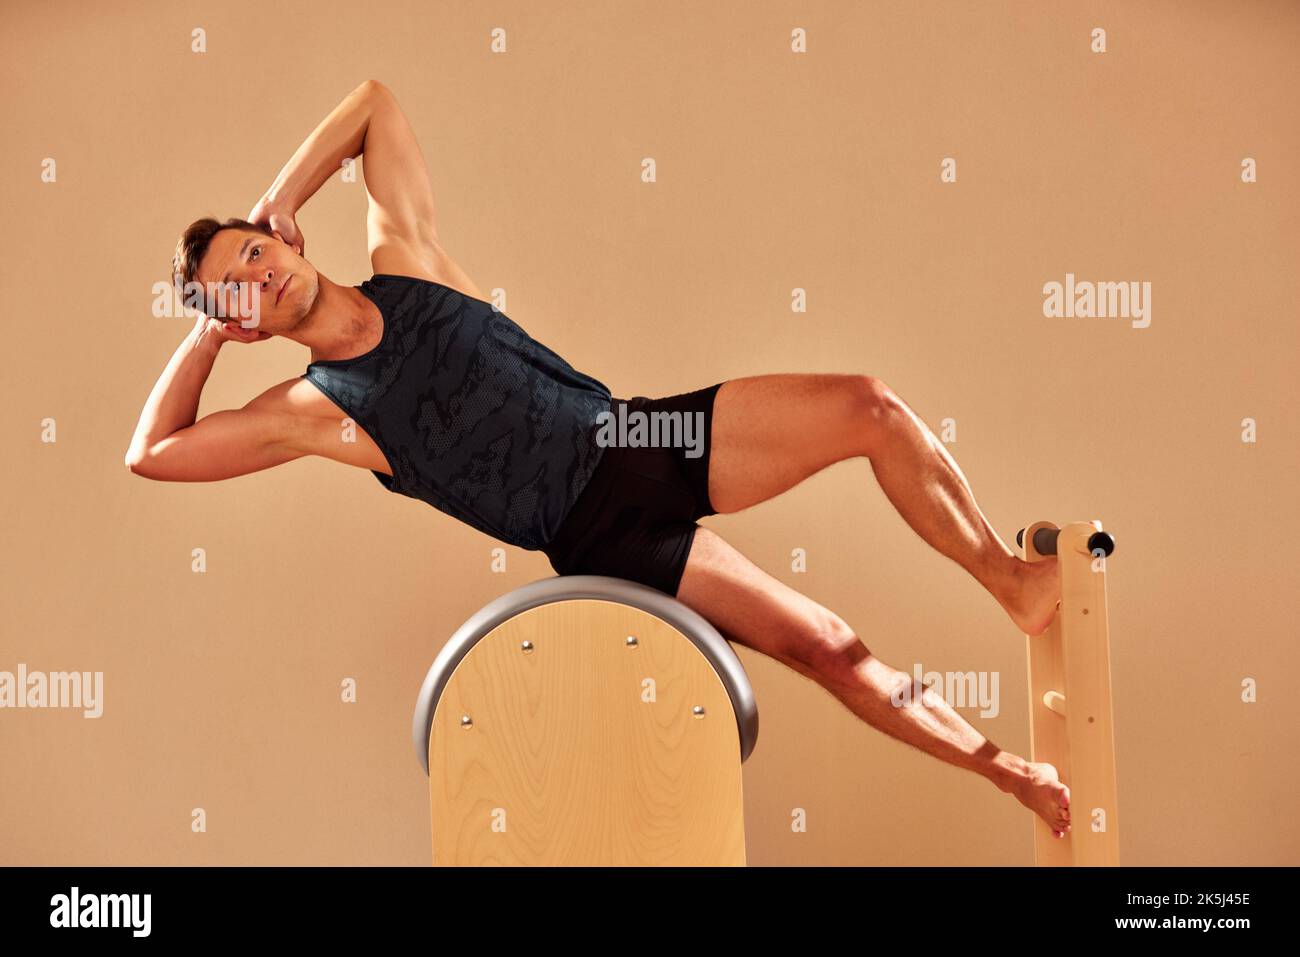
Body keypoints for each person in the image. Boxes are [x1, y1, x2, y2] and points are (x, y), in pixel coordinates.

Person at [127, 80, 1070, 838]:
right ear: (245, 329)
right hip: (599, 534)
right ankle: (1012, 775)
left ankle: (1007, 581)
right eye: (237, 291)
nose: (260, 275)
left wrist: (277, 200)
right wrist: (210, 331)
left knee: (868, 404)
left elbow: (373, 103)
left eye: (254, 254)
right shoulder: (310, 409)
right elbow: (154, 453)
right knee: (825, 645)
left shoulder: (405, 257)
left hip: (636, 437)